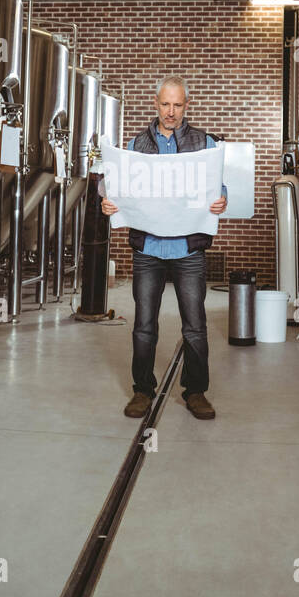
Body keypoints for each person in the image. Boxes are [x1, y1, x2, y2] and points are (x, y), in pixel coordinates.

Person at [101, 75, 226, 420]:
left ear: (187, 106)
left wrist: (221, 200)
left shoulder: (204, 143)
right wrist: (108, 203)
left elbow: (219, 187)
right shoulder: (136, 145)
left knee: (195, 325)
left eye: (178, 105)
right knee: (144, 325)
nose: (171, 112)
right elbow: (115, 188)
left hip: (188, 250)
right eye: (165, 104)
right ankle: (142, 391)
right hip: (148, 251)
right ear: (155, 104)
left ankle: (196, 391)